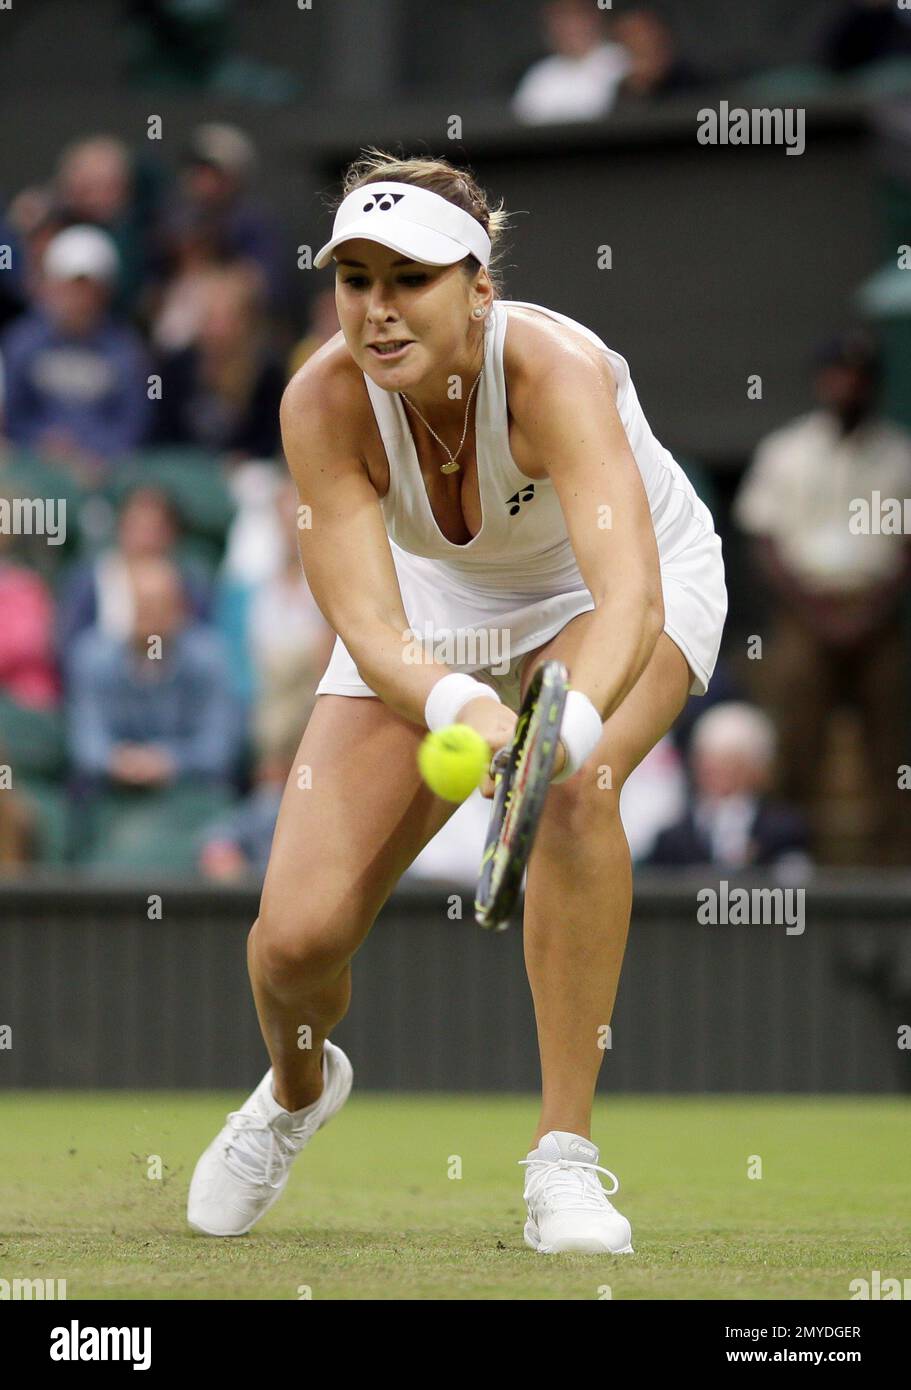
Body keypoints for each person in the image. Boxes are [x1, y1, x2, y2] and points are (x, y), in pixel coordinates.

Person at [187, 151, 727, 1255]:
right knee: (293, 943)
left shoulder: (555, 369)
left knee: (575, 792)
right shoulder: (319, 401)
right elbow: (369, 625)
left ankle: (563, 1163)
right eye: (356, 281)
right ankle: (295, 1092)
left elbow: (626, 592)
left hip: (616, 584)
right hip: (433, 617)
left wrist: (553, 735)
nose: (377, 311)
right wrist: (456, 705)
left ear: (478, 287)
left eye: (410, 280)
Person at [733, 329, 911, 866]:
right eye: (838, 375)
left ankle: (896, 865)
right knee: (793, 729)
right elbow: (763, 538)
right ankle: (790, 855)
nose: (847, 386)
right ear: (821, 382)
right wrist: (816, 614)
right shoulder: (787, 451)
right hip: (806, 610)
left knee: (895, 736)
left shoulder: (899, 456)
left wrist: (873, 613)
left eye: (858, 376)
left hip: (876, 610)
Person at [0, 225, 151, 479]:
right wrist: (40, 444)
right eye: (69, 287)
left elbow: (133, 424)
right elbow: (13, 415)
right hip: (32, 468)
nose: (78, 298)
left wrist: (95, 454)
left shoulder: (128, 351)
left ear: (105, 292)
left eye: (88, 289)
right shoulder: (22, 341)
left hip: (105, 473)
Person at [648, 702, 810, 873]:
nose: (715, 772)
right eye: (708, 762)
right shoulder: (672, 839)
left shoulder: (782, 831)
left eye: (729, 763)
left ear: (756, 769)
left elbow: (794, 892)